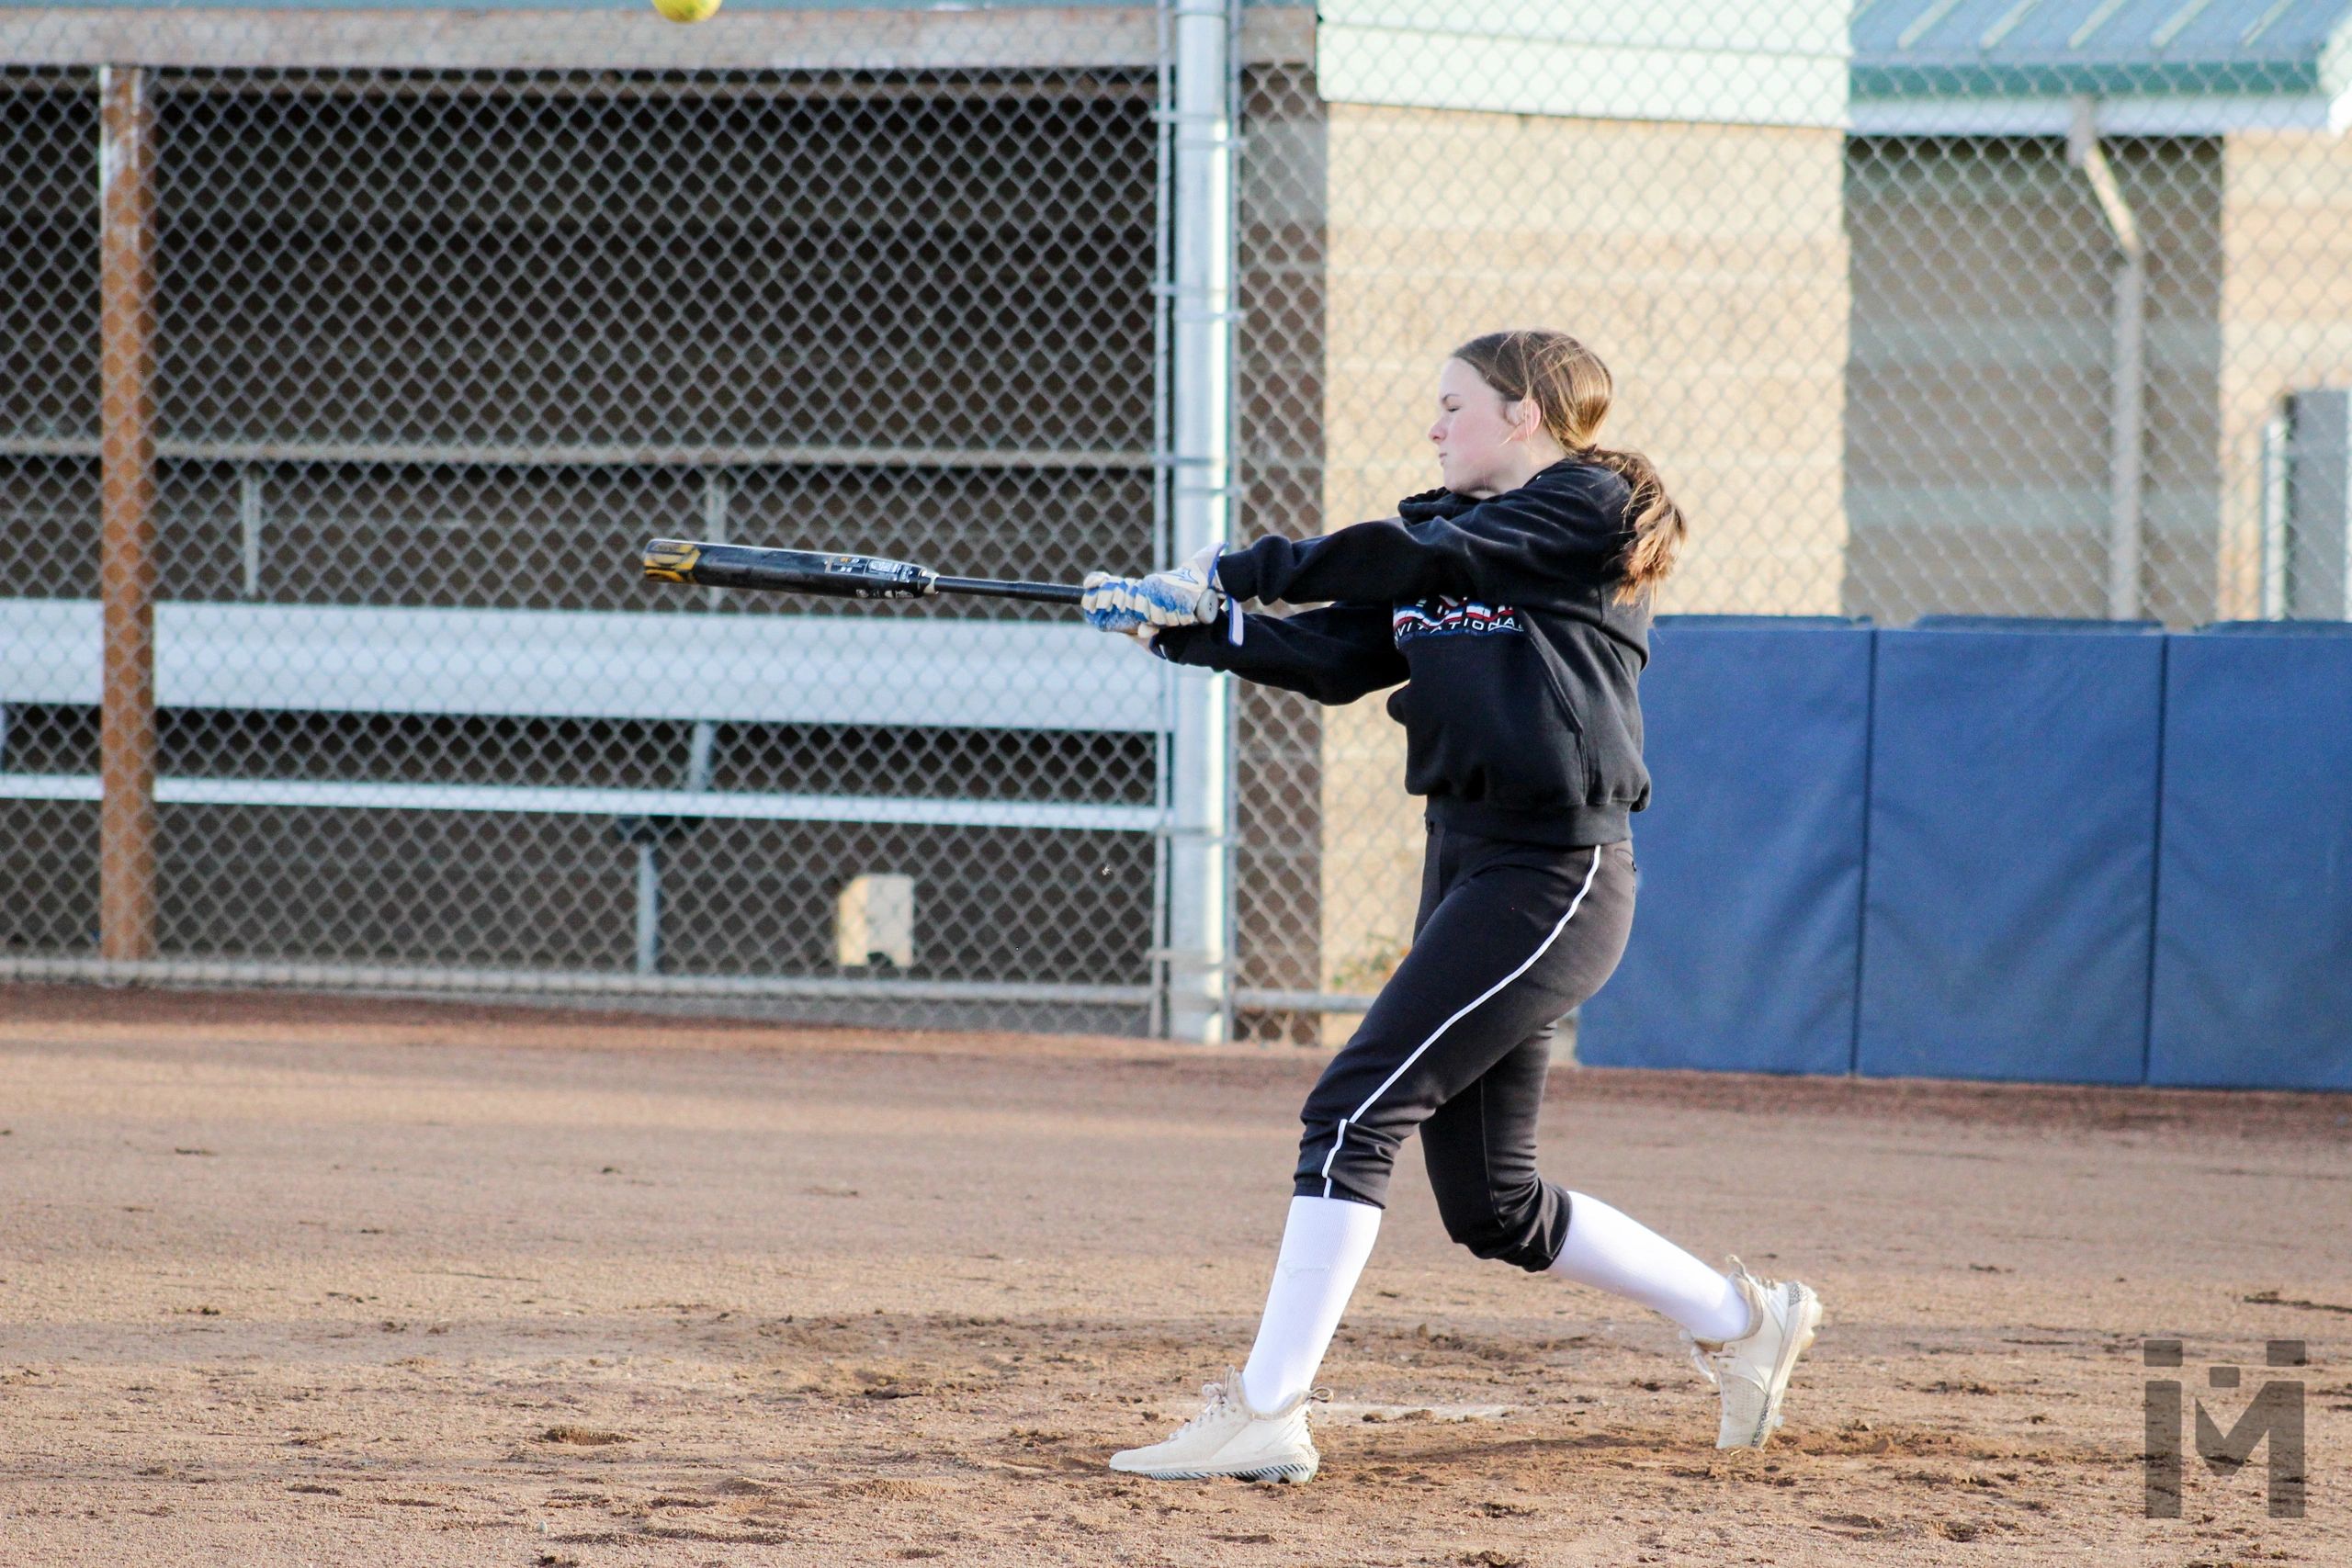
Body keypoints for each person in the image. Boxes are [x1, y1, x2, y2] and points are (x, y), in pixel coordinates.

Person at [1075, 329, 1822, 1484]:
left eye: (1454, 406)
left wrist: (1236, 568)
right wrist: (1191, 634)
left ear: (1524, 415)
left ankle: (1266, 1410)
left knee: (1352, 1109)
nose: (1435, 427)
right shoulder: (1439, 541)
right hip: (1466, 862)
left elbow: (1396, 564)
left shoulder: (1586, 503)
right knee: (1494, 1206)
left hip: (1554, 872)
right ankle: (1744, 1322)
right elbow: (1336, 655)